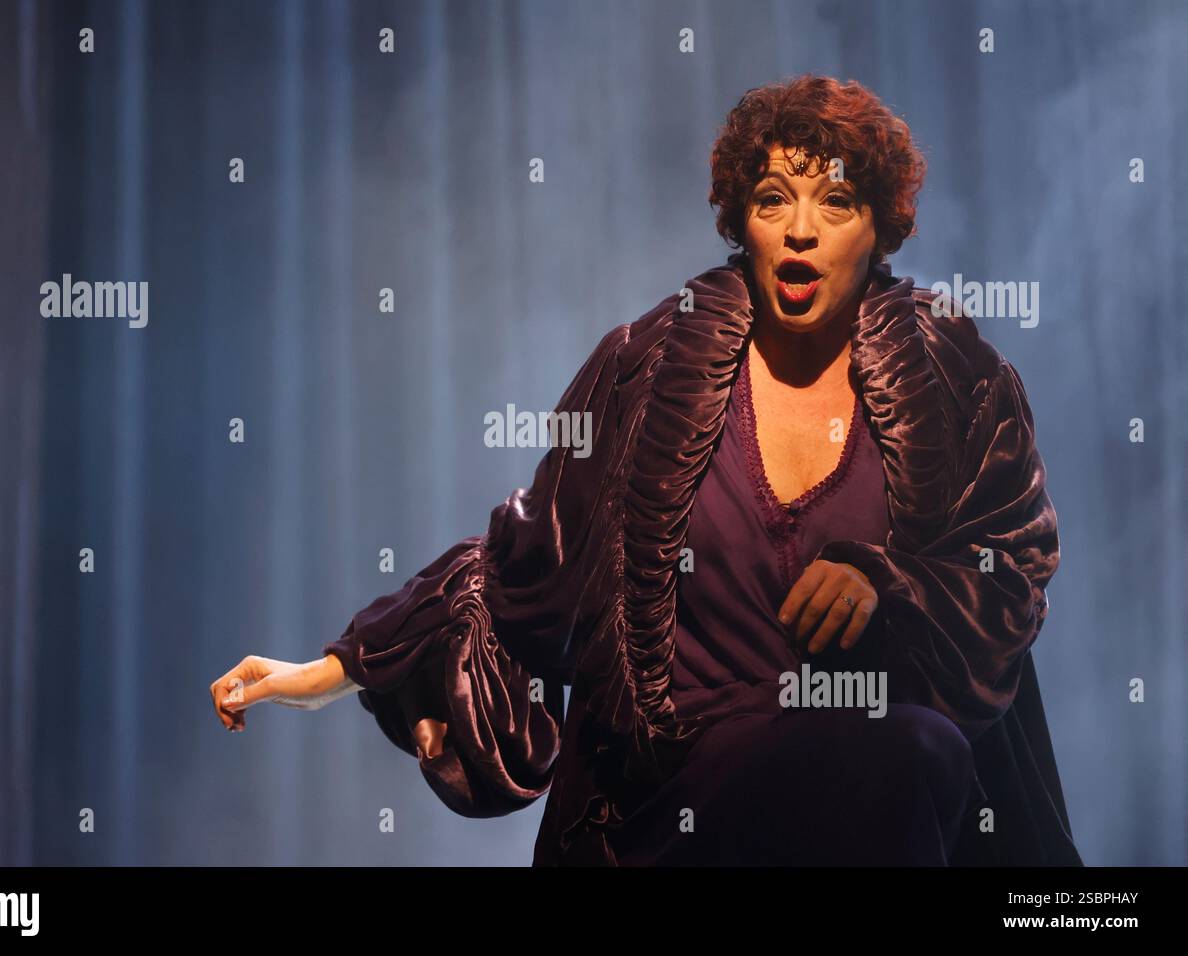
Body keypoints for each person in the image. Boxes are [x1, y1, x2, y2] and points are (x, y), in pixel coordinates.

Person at [209, 74, 1082, 867]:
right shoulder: (645, 371)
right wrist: (331, 673)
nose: (802, 230)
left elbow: (1008, 570)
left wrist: (890, 583)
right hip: (681, 798)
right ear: (741, 220)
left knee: (908, 752)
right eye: (774, 199)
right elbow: (524, 563)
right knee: (898, 756)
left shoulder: (955, 380)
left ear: (880, 226)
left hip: (884, 791)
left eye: (837, 201)